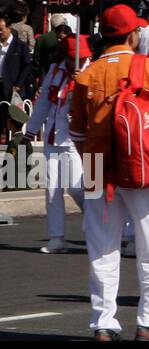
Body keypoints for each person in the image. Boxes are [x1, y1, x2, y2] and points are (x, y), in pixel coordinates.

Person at [68, 4, 149, 341]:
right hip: (143, 165)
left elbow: (77, 133)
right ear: (134, 33)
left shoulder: (86, 74)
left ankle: (103, 323)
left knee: (102, 248)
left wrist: (94, 161)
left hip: (98, 167)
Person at [24, 35, 90, 254]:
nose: (77, 62)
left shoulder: (93, 72)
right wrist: (30, 131)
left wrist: (83, 84)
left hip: (77, 138)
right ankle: (57, 237)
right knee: (52, 188)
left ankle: (96, 222)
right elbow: (43, 103)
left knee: (76, 186)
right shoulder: (54, 71)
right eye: (74, 58)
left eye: (81, 57)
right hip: (53, 136)